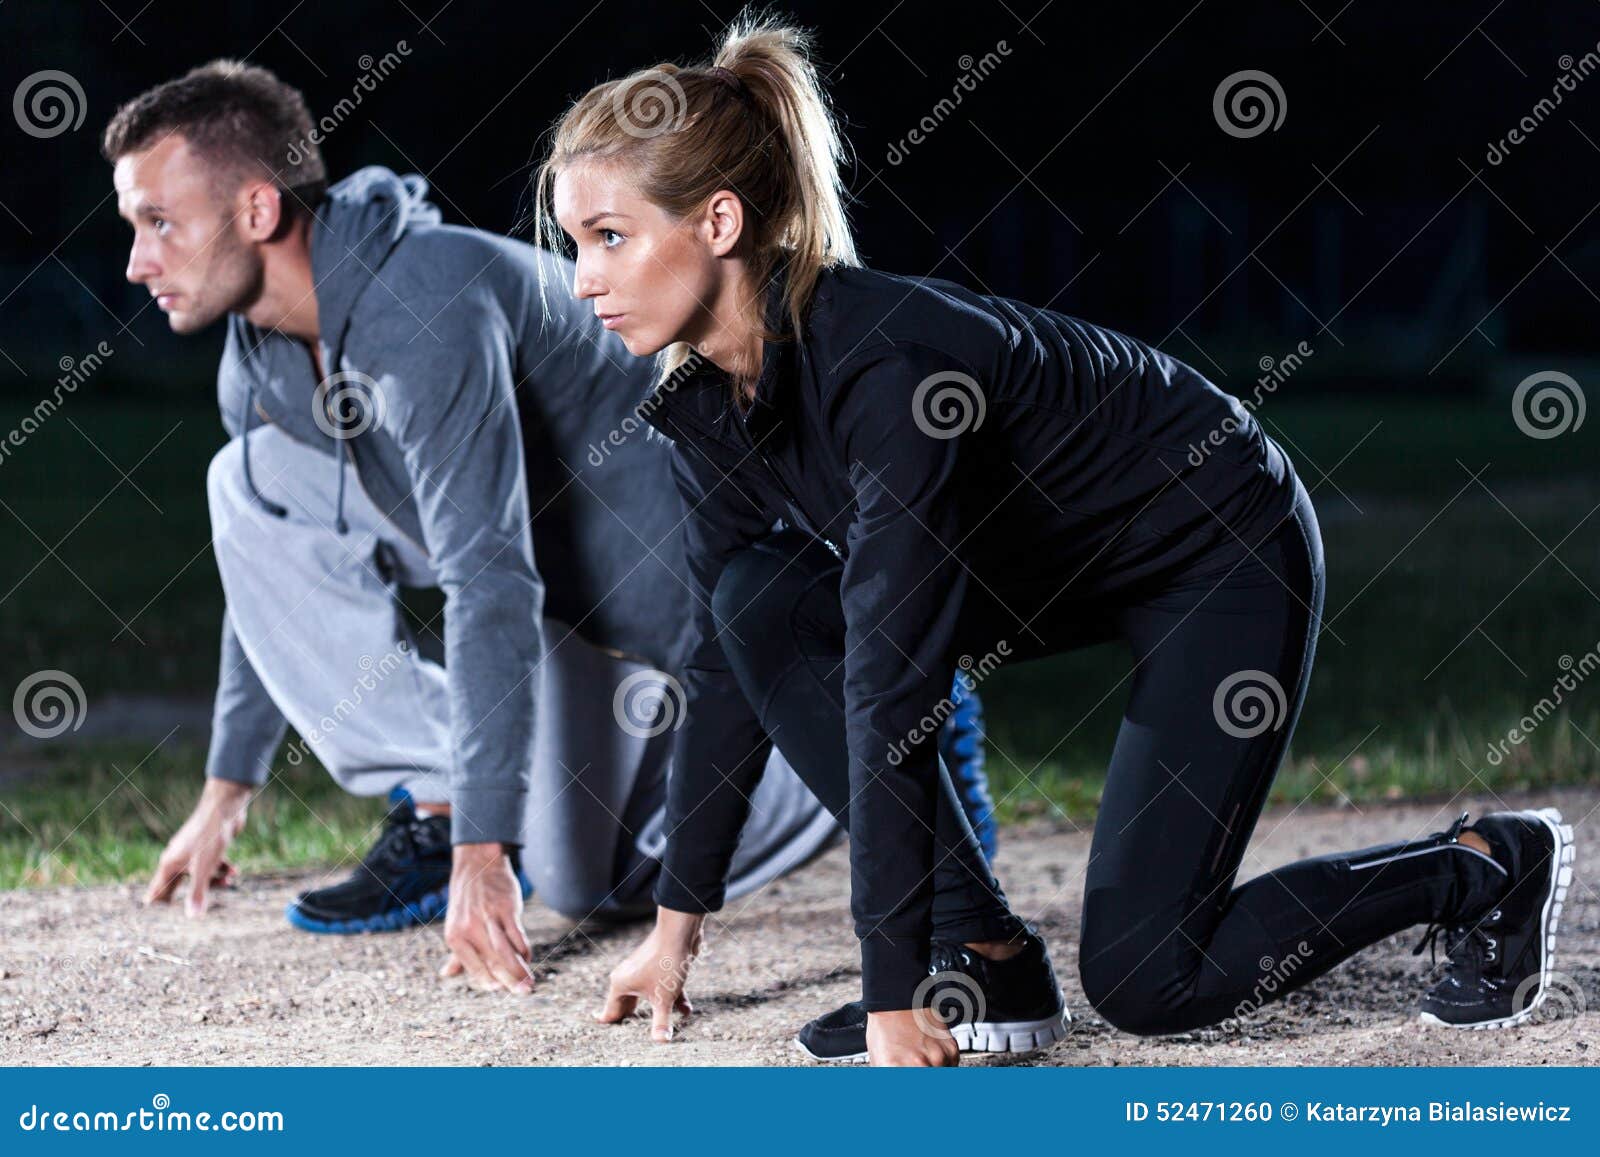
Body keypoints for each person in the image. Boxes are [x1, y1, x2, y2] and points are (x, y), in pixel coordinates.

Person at [534, 15, 1577, 1064]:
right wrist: (674, 932)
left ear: (718, 221)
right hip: (1042, 561)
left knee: (1152, 975)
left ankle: (1486, 863)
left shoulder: (886, 374)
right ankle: (983, 952)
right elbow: (729, 662)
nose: (582, 279)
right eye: (575, 243)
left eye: (609, 236)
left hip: (1216, 543)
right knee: (756, 599)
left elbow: (892, 685)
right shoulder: (707, 401)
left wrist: (892, 986)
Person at [101, 59, 862, 995]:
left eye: (159, 222)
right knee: (243, 480)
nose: (137, 259)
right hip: (546, 596)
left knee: (589, 883)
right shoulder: (255, 357)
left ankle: (840, 748)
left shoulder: (423, 301)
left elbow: (489, 575)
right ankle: (438, 784)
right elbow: (267, 568)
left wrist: (485, 855)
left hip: (669, 614)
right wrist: (227, 792)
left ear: (259, 212)